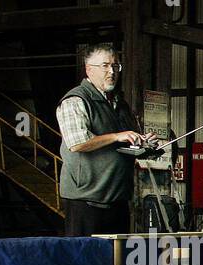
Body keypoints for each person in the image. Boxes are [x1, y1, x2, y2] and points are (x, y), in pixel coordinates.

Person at [56, 43, 155, 237]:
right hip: (86, 201)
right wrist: (117, 136)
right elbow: (77, 143)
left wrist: (143, 142)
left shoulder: (120, 103)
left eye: (116, 66)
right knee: (85, 261)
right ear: (89, 69)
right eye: (105, 66)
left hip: (118, 199)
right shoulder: (75, 100)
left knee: (116, 263)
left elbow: (128, 140)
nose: (112, 71)